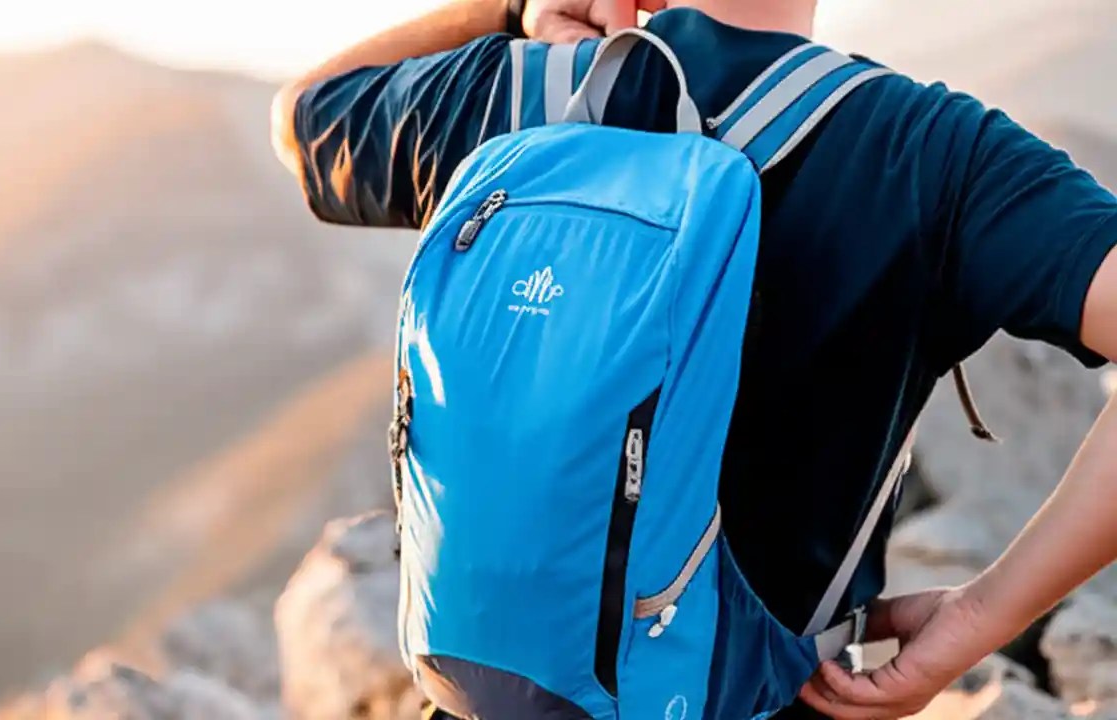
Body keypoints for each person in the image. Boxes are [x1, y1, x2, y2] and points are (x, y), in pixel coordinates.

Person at [270, 0, 1117, 717]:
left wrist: (513, 11)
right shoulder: (925, 151)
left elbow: (302, 115)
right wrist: (983, 614)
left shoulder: (508, 88)